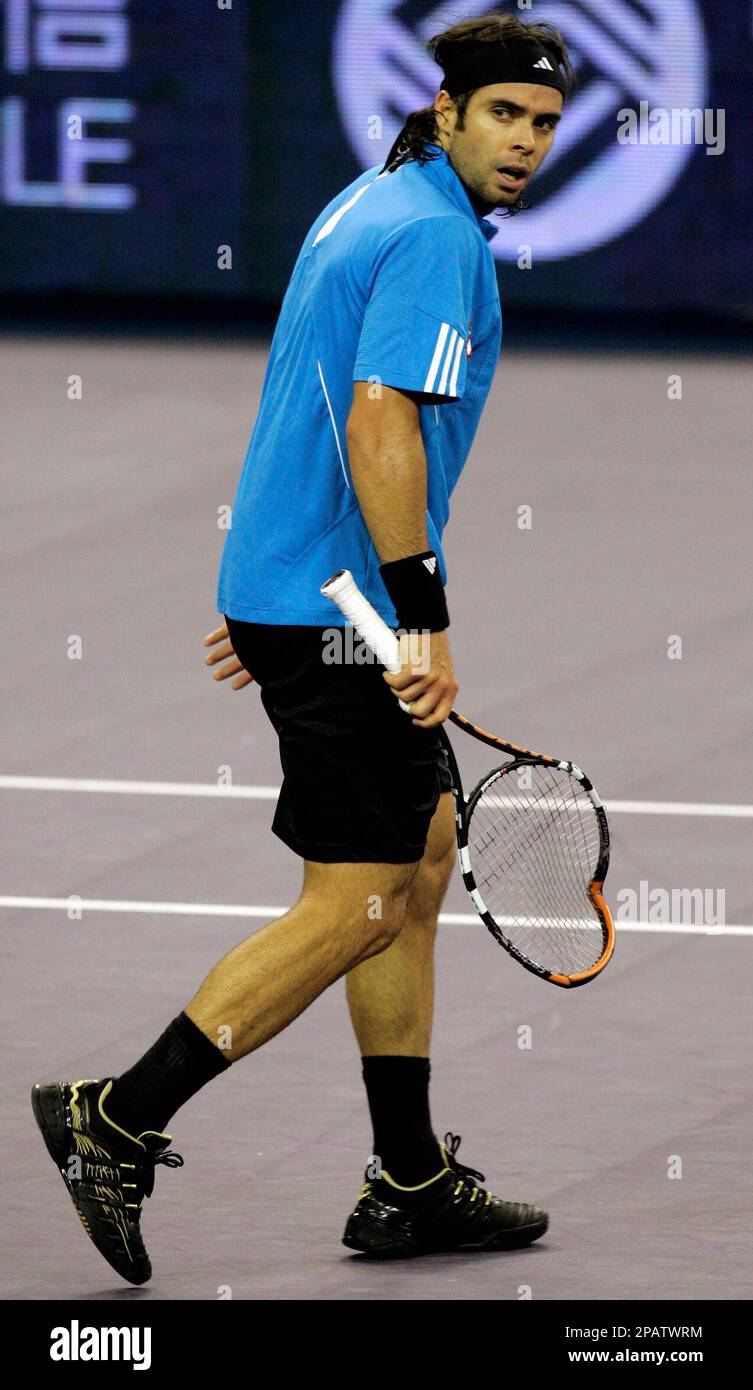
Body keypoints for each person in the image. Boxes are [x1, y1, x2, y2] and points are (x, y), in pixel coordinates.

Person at [32, 12, 573, 1285]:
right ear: (447, 109)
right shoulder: (438, 240)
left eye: (545, 125)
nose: (526, 143)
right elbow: (378, 421)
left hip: (304, 584)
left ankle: (409, 1180)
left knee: (423, 855)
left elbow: (304, 384)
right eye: (505, 115)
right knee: (365, 898)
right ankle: (115, 1116)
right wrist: (418, 613)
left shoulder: (374, 197)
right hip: (351, 610)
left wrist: (268, 577)